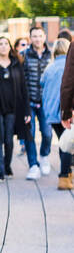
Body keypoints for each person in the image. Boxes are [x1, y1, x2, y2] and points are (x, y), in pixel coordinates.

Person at [0, 36, 31, 183]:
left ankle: (7, 166)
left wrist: (27, 111)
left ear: (10, 47)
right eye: (0, 44)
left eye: (6, 44)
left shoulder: (17, 65)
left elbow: (24, 89)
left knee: (9, 140)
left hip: (12, 108)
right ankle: (0, 172)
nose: (3, 46)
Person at [40, 38, 73, 190]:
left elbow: (42, 85)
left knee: (64, 142)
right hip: (64, 111)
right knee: (66, 144)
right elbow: (67, 88)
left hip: (51, 113)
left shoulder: (49, 67)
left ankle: (67, 174)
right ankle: (64, 176)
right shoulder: (67, 66)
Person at [21, 23, 53, 178]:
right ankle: (33, 165)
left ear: (44, 37)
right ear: (30, 38)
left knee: (47, 133)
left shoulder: (51, 55)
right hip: (29, 102)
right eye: (34, 36)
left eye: (40, 36)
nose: (37, 39)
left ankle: (44, 156)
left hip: (46, 102)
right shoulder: (24, 55)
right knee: (30, 133)